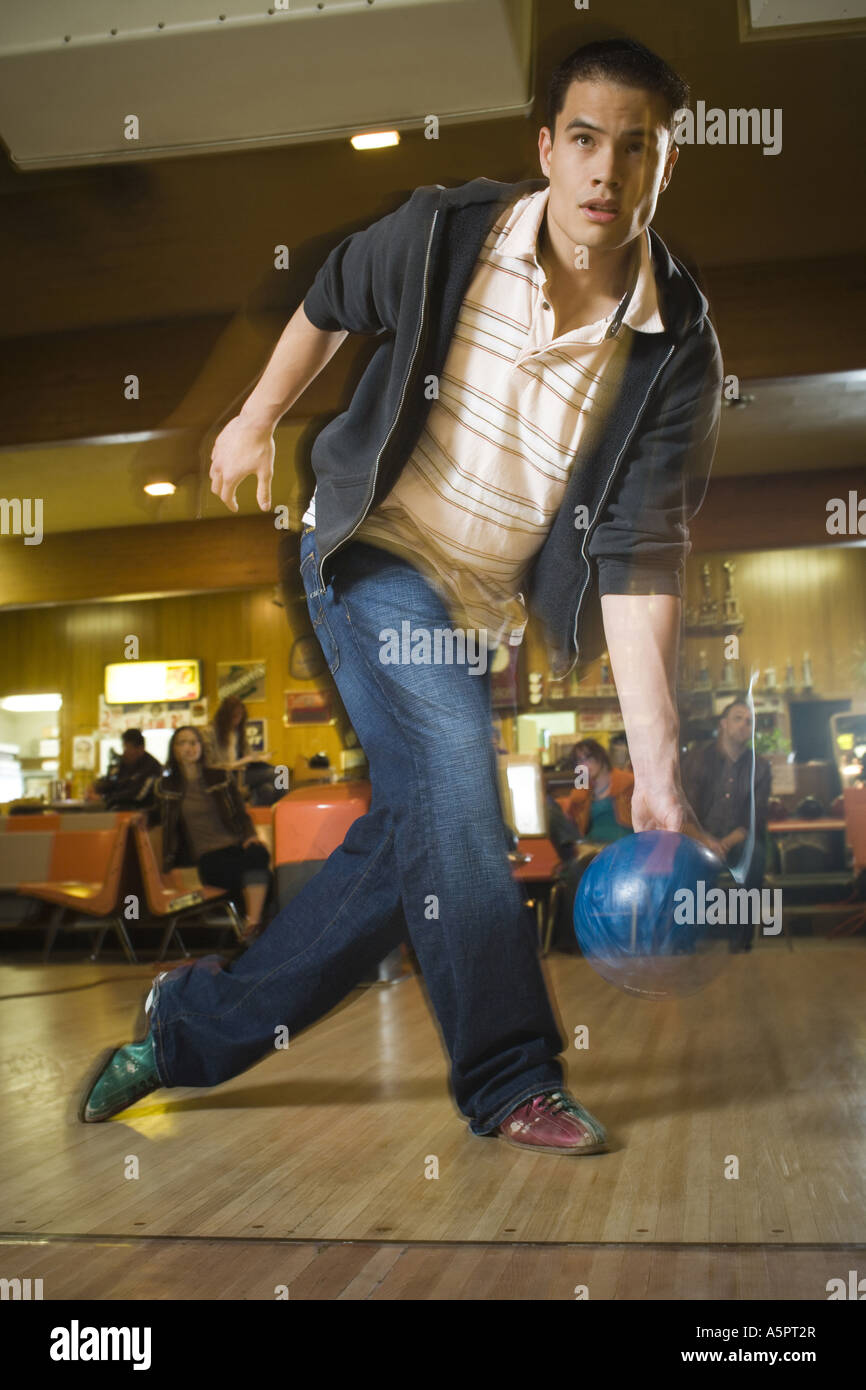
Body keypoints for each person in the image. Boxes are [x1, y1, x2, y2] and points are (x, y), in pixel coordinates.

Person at [80, 38, 722, 1153]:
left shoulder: (675, 347)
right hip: (370, 556)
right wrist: (253, 417)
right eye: (583, 140)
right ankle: (510, 1076)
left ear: (666, 165)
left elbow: (636, 556)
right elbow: (328, 298)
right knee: (458, 775)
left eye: (635, 147)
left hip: (472, 612)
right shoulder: (445, 234)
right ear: (545, 149)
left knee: (414, 832)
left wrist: (657, 776)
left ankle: (185, 1031)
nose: (604, 173)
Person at [148, 726, 273, 940]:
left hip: (235, 849)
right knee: (262, 876)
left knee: (259, 854)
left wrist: (250, 835)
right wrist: (140, 818)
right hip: (205, 858)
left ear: (201, 747)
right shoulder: (166, 786)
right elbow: (156, 814)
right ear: (174, 750)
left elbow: (241, 813)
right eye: (182, 743)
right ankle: (255, 929)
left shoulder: (221, 777)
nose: (189, 747)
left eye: (193, 742)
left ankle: (251, 926)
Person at [681, 700, 771, 952]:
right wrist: (705, 840)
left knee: (754, 858)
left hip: (738, 840)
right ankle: (685, 939)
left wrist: (725, 843)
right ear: (723, 724)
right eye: (738, 718)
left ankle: (741, 941)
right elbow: (685, 810)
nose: (745, 724)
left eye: (750, 721)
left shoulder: (760, 766)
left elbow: (755, 817)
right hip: (698, 836)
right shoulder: (697, 759)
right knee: (683, 860)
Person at [549, 739, 634, 952]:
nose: (584, 764)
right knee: (573, 867)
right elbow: (574, 818)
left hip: (622, 843)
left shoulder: (626, 781)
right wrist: (580, 792)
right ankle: (580, 936)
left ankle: (576, 939)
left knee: (577, 869)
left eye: (588, 758)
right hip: (592, 845)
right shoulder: (585, 787)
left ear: (601, 758)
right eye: (579, 760)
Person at [204, 696, 282, 807]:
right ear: (225, 716)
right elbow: (209, 764)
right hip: (226, 775)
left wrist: (260, 757)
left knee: (267, 789)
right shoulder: (209, 732)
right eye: (235, 716)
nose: (238, 720)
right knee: (281, 772)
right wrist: (237, 763)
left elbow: (249, 752)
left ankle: (261, 817)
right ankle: (283, 808)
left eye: (240, 716)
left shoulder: (237, 732)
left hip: (242, 772)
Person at [86, 729, 162, 810]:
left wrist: (105, 798)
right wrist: (96, 786)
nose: (124, 752)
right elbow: (112, 782)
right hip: (114, 812)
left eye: (127, 748)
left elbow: (138, 796)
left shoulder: (152, 768)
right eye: (123, 747)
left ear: (140, 749)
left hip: (140, 814)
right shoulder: (122, 764)